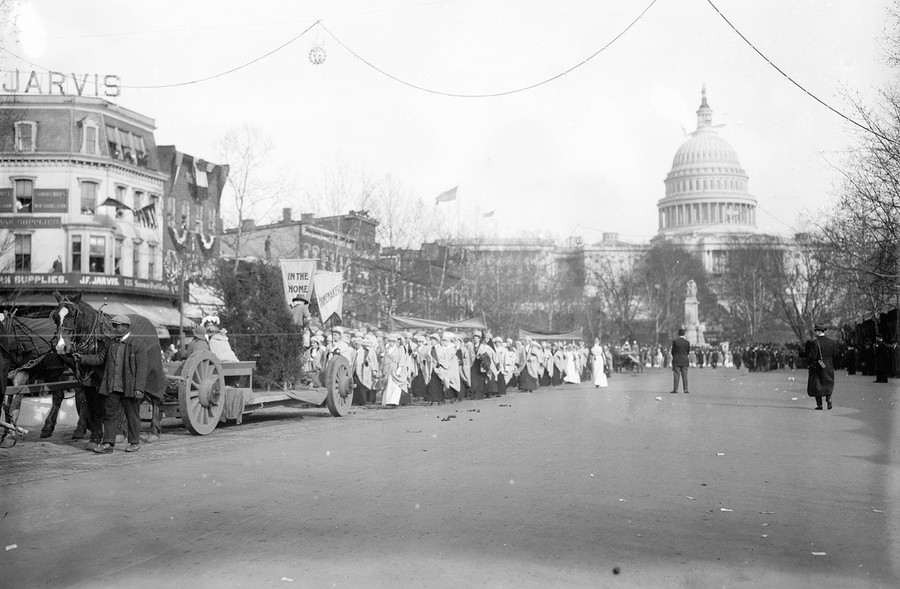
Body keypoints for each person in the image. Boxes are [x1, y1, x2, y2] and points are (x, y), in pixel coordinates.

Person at [93, 315, 145, 453]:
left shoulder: (137, 344)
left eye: (117, 326)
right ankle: (108, 444)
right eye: (113, 325)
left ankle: (134, 442)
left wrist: (139, 388)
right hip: (113, 387)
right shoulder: (111, 343)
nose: (114, 328)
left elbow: (141, 369)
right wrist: (80, 358)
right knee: (110, 415)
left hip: (130, 389)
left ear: (126, 327)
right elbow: (99, 359)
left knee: (132, 416)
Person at [799, 323, 839, 410]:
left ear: (819, 331)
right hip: (828, 365)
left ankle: (819, 405)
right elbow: (835, 355)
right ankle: (829, 399)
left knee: (817, 384)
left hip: (818, 365)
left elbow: (812, 356)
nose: (814, 333)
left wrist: (808, 361)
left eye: (815, 331)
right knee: (828, 382)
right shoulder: (832, 342)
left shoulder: (815, 343)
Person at [671, 328, 690, 394]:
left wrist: (675, 356)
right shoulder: (687, 342)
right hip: (684, 360)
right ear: (684, 334)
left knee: (676, 375)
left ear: (678, 334)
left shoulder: (675, 342)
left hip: (676, 360)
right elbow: (688, 352)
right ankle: (686, 389)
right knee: (685, 375)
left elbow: (673, 351)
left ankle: (675, 389)